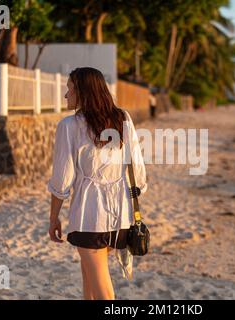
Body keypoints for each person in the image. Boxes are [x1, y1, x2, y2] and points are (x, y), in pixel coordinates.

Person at [47, 67, 148, 300]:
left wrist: (54, 218)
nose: (65, 95)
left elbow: (62, 180)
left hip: (89, 217)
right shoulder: (122, 118)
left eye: (69, 89)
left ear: (83, 92)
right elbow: (137, 169)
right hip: (121, 217)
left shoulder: (69, 126)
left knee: (103, 292)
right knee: (90, 278)